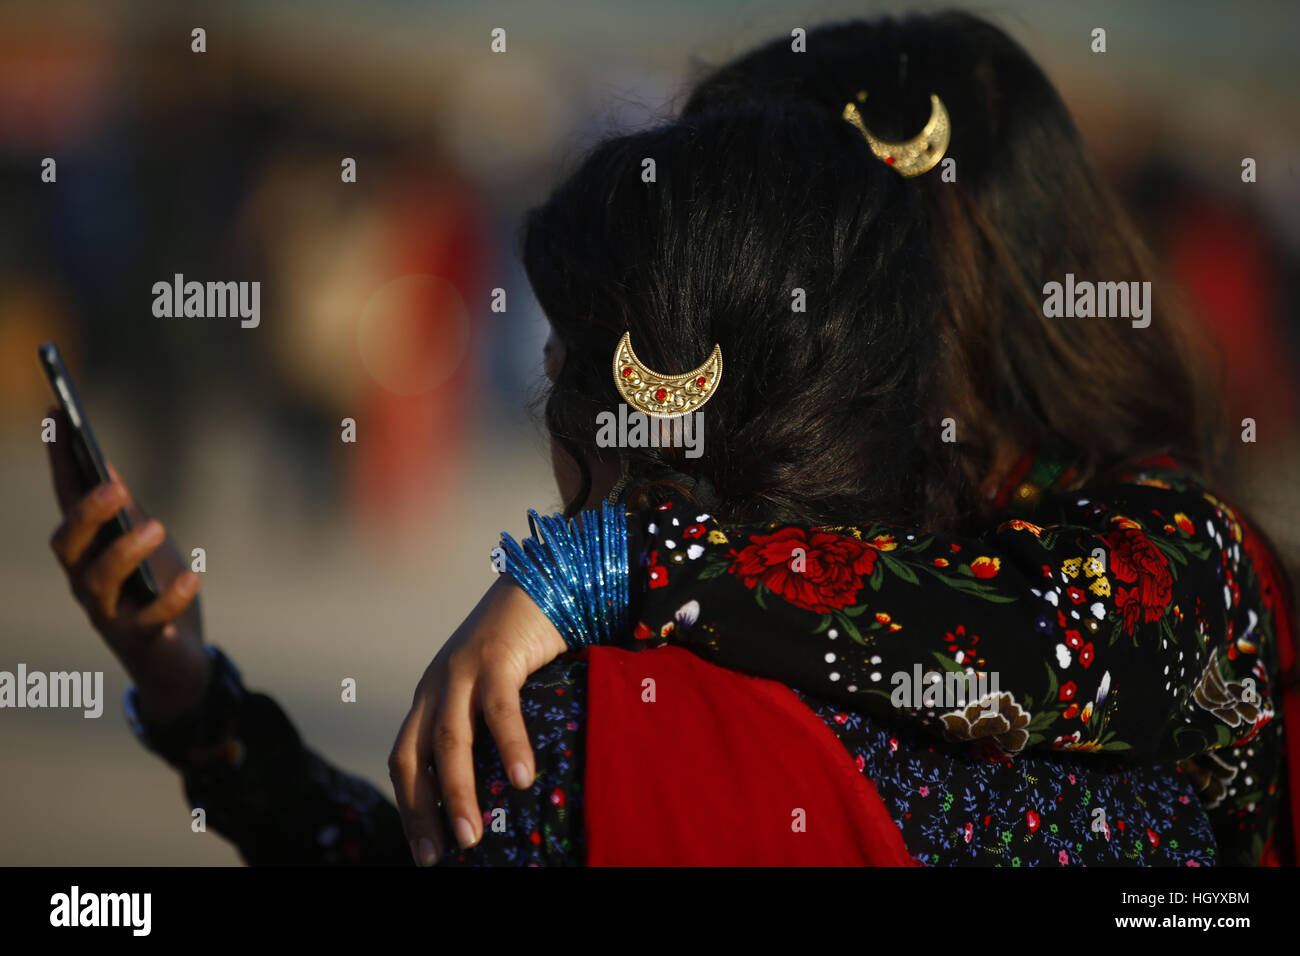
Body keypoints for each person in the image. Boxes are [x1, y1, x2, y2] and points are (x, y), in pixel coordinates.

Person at [46, 12, 1295, 866]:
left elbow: (1036, 645)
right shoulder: (794, 617)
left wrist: (616, 559)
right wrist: (201, 705)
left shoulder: (1179, 558)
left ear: (927, 267)